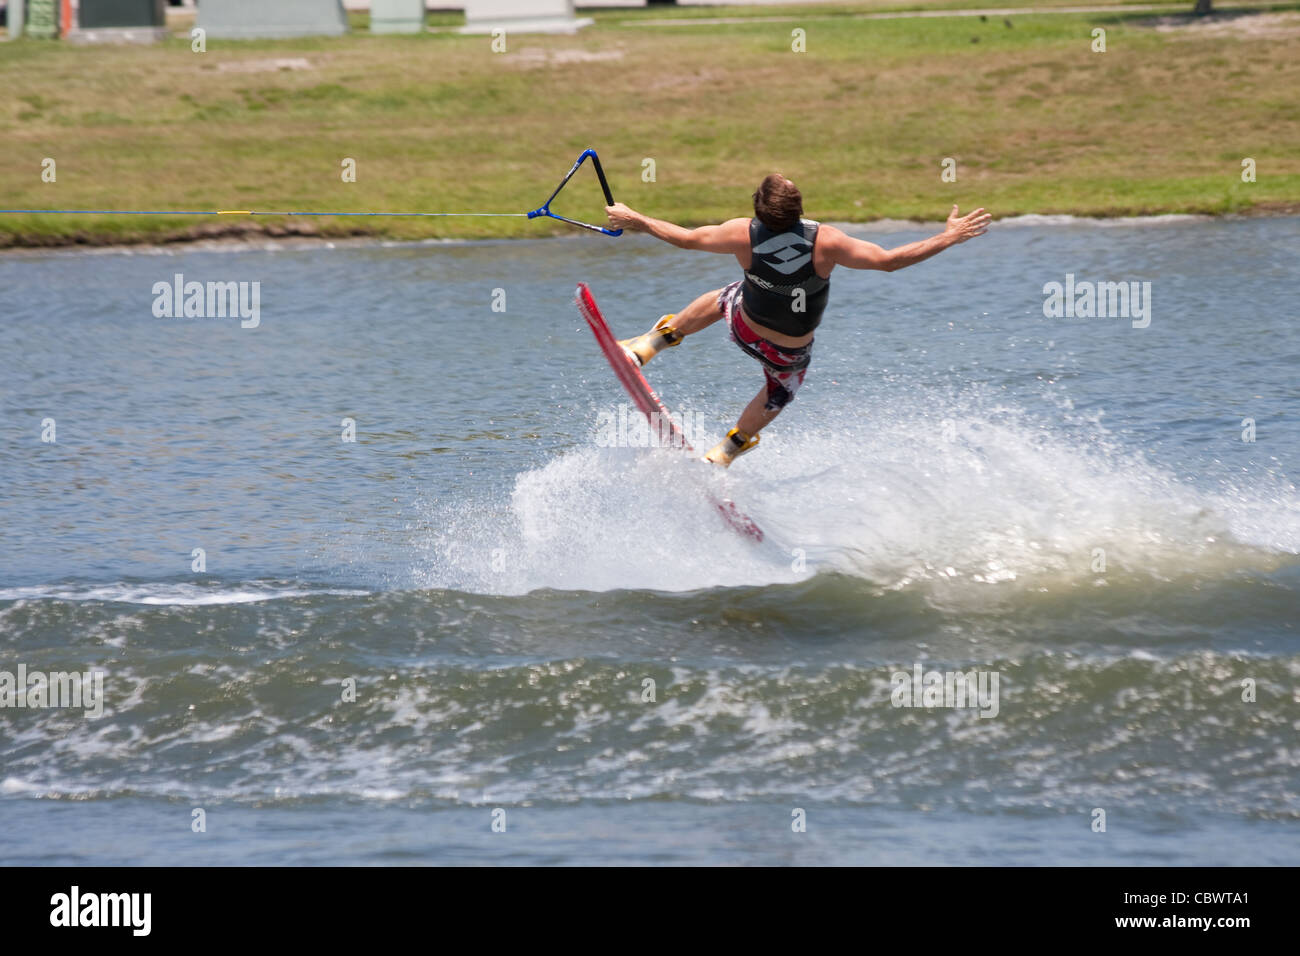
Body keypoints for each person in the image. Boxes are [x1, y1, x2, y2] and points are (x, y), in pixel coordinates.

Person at [605, 174, 991, 466]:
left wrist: (635, 218)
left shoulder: (742, 233)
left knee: (727, 294)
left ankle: (651, 344)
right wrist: (949, 237)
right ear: (800, 208)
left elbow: (686, 239)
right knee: (780, 390)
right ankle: (726, 451)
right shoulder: (829, 242)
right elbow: (890, 262)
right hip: (786, 353)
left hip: (744, 326)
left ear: (758, 210)